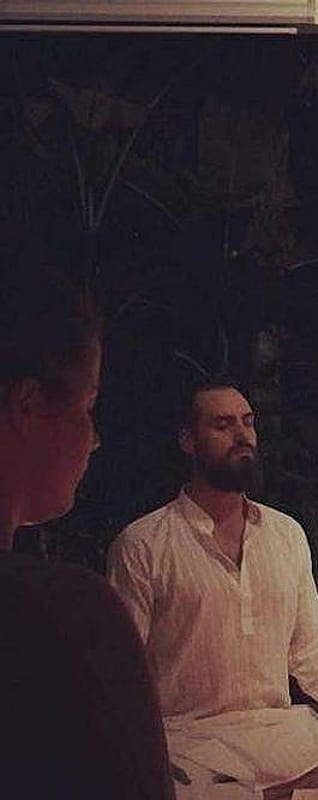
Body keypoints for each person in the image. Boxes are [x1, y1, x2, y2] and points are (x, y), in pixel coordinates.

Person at [109, 382, 318, 800]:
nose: (242, 435)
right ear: (188, 440)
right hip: (191, 742)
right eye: (223, 424)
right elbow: (124, 672)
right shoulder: (144, 544)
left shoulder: (286, 535)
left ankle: (283, 791)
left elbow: (310, 655)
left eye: (248, 422)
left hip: (281, 733)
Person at [0, 263, 175, 799]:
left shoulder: (284, 538)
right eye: (88, 407)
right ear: (27, 405)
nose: (93, 440)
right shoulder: (62, 619)